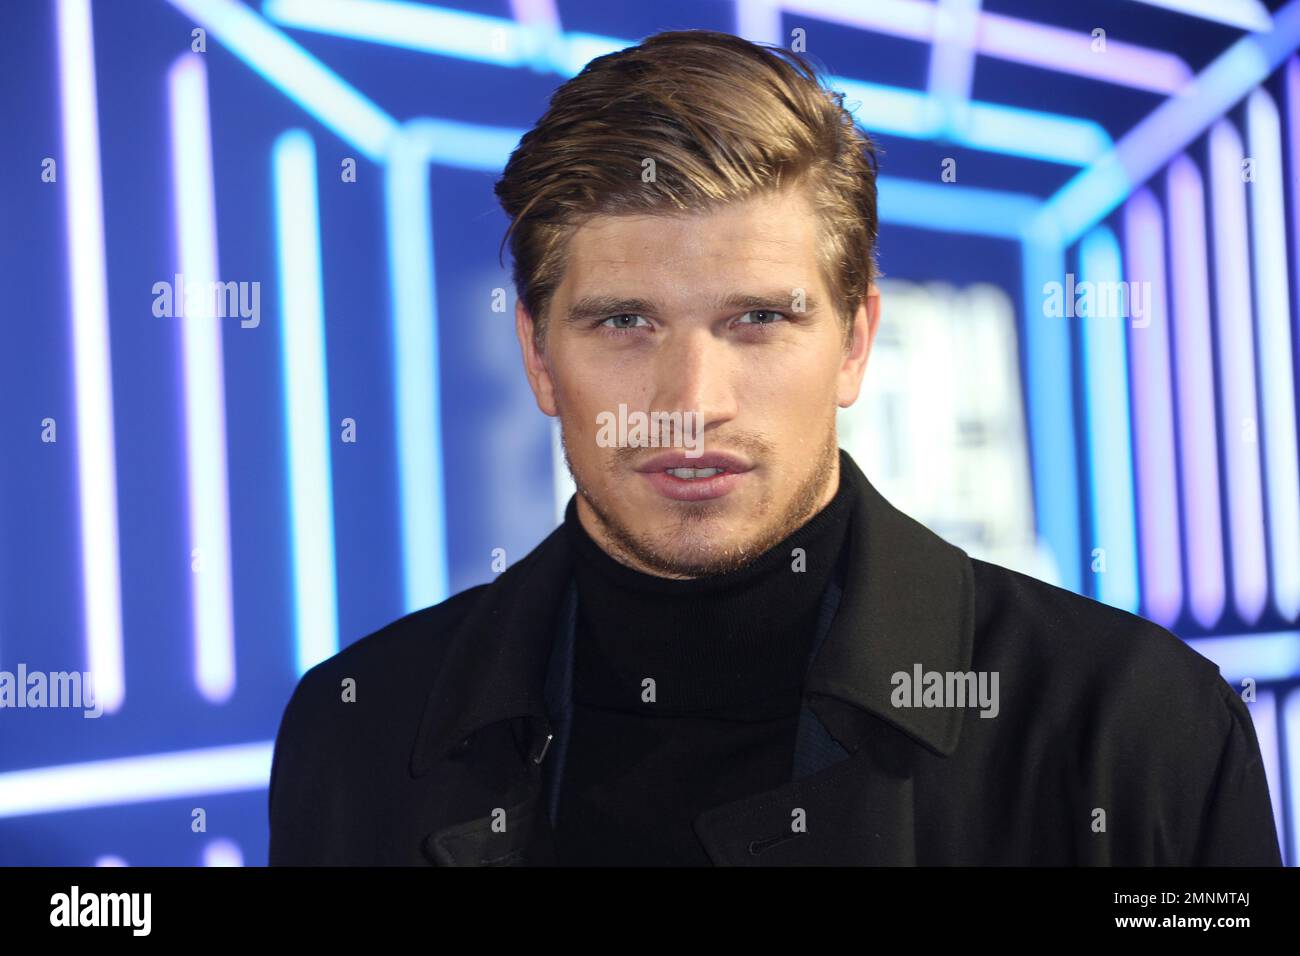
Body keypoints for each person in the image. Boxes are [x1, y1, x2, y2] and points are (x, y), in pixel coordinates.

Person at [268, 29, 1282, 866]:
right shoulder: (359, 731)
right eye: (624, 322)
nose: (690, 403)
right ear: (537, 356)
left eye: (757, 318)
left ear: (855, 342)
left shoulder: (1133, 728)